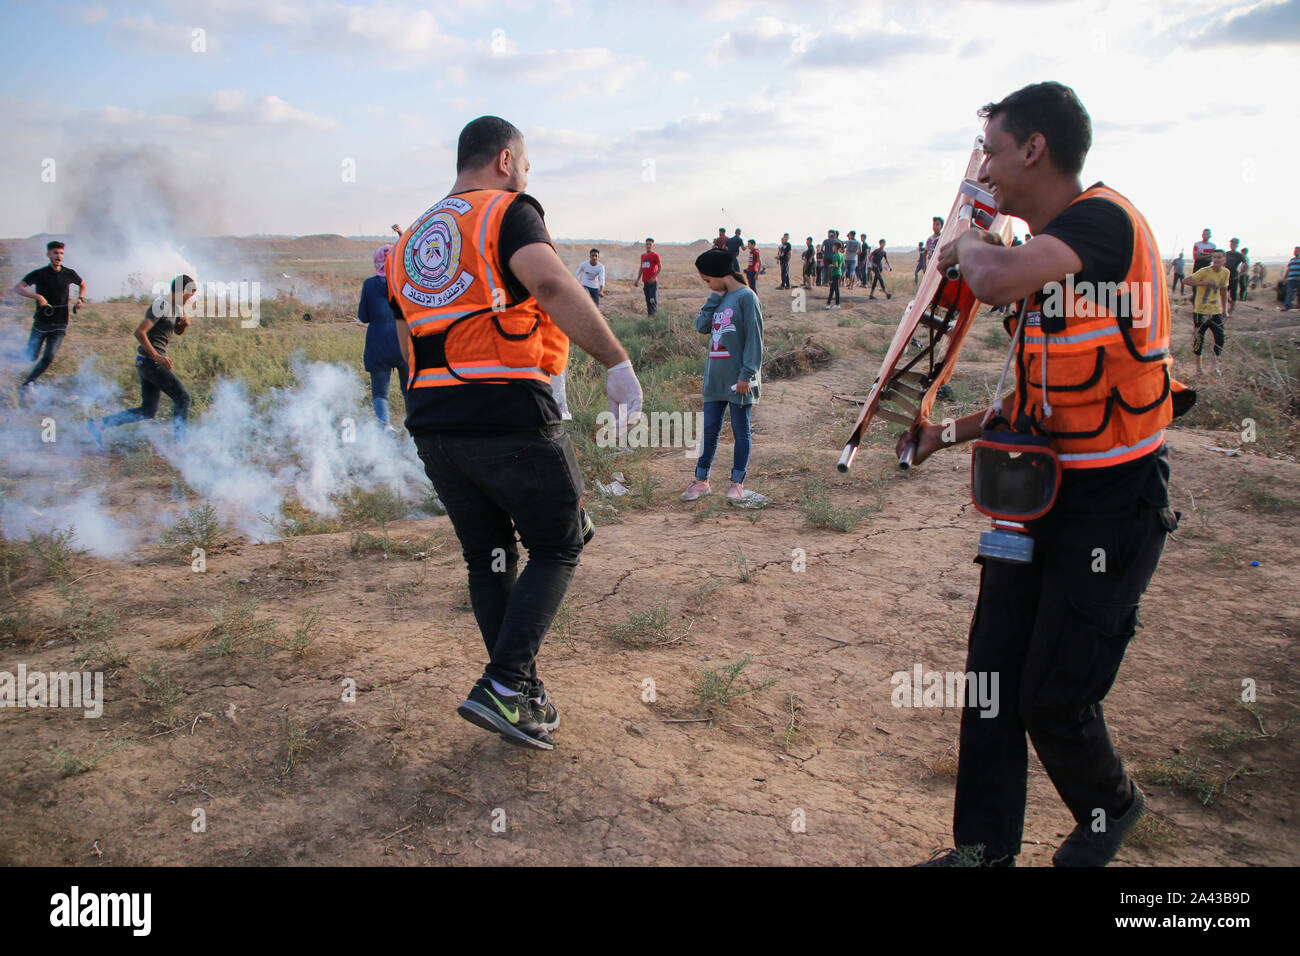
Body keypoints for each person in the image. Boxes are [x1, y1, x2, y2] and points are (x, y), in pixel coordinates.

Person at [910, 81, 1187, 868]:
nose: (986, 170)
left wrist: (965, 244)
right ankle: (982, 852)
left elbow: (990, 279)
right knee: (991, 684)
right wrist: (943, 436)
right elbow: (1037, 399)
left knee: (1054, 697)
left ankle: (1111, 808)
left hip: (1112, 503)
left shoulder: (1102, 221)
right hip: (1033, 500)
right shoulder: (1047, 252)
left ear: (1035, 148)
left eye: (993, 151)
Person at [387, 115, 643, 751]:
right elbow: (551, 282)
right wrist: (616, 361)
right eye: (525, 165)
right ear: (506, 160)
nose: (527, 176)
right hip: (506, 408)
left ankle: (518, 693)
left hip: (432, 417)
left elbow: (403, 335)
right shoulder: (506, 211)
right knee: (560, 542)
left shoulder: (409, 240)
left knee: (489, 555)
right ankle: (504, 683)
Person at [681, 248, 763, 505]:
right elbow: (701, 326)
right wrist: (713, 296)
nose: (707, 284)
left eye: (708, 280)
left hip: (738, 380)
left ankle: (737, 483)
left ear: (720, 273)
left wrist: (747, 375)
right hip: (714, 378)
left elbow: (755, 339)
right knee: (709, 431)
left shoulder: (746, 298)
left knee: (741, 431)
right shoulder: (721, 297)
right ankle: (701, 481)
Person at [89, 274, 195, 444]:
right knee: (183, 398)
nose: (189, 300)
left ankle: (99, 424)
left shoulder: (176, 308)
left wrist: (183, 325)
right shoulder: (161, 305)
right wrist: (157, 356)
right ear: (182, 291)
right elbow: (139, 332)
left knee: (148, 410)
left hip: (146, 362)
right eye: (189, 295)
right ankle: (180, 446)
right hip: (150, 362)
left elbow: (175, 331)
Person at [13, 240, 86, 397]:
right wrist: (38, 296)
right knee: (30, 356)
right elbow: (18, 288)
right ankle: (12, 359)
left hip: (60, 324)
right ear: (48, 254)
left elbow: (82, 284)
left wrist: (80, 299)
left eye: (61, 253)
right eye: (55, 253)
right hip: (41, 323)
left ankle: (28, 383)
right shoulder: (39, 274)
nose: (58, 256)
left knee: (49, 356)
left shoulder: (69, 273)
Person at [356, 244, 408, 432]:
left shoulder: (369, 285)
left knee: (380, 392)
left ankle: (385, 426)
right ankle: (413, 426)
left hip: (377, 344)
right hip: (403, 342)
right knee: (408, 389)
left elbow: (363, 316)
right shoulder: (403, 281)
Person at [1186, 248, 1229, 374]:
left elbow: (1224, 291)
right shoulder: (1204, 271)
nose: (1216, 259)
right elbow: (1186, 280)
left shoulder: (1226, 272)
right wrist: (1204, 283)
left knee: (1220, 338)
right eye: (1214, 257)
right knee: (1199, 339)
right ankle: (1198, 368)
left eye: (1219, 257)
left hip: (1216, 311)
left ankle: (1215, 366)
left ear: (1224, 259)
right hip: (1201, 311)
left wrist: (1225, 310)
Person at [634, 237, 661, 316]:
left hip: (653, 282)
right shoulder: (643, 256)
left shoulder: (655, 255)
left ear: (653, 245)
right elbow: (641, 268)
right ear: (645, 245)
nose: (648, 246)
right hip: (645, 281)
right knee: (647, 299)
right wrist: (637, 280)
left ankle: (655, 315)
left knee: (653, 299)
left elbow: (660, 267)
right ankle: (650, 315)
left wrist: (653, 277)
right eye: (647, 244)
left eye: (650, 244)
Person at [825, 240, 844, 310]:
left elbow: (836, 265)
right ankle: (828, 304)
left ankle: (837, 304)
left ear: (836, 247)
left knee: (836, 289)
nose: (832, 248)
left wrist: (831, 265)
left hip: (835, 273)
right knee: (832, 289)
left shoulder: (835, 255)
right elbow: (842, 264)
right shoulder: (841, 255)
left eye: (833, 246)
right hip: (838, 272)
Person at [1280, 246, 1300, 311]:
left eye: (1297, 250)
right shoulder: (1292, 260)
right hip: (1291, 280)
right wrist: (1285, 277)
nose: (1295, 252)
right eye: (1294, 251)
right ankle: (1287, 306)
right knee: (1289, 293)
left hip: (1298, 280)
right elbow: (1288, 269)